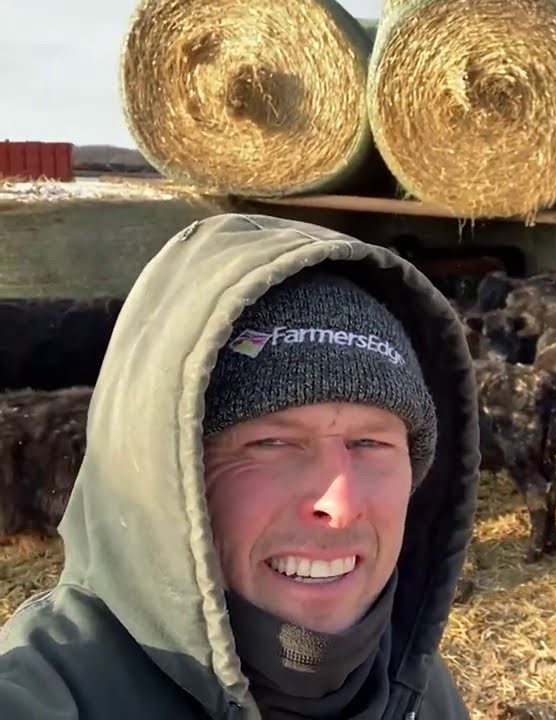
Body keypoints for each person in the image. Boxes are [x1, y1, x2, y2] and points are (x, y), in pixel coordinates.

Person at [0, 213, 480, 719]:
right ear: (172, 474)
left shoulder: (412, 679)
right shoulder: (54, 691)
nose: (341, 504)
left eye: (370, 442)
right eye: (272, 443)